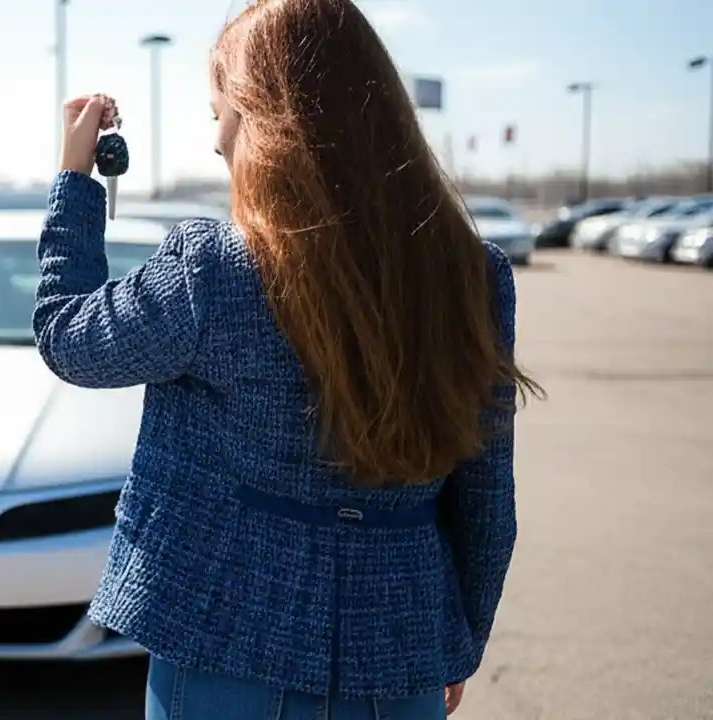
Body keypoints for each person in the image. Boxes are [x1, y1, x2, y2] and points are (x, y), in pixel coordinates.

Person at [32, 1, 542, 718]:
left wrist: (76, 179)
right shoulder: (473, 276)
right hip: (401, 661)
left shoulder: (213, 272)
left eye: (219, 112)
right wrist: (457, 641)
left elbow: (66, 334)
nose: (216, 139)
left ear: (256, 114)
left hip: (221, 649)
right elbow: (487, 504)